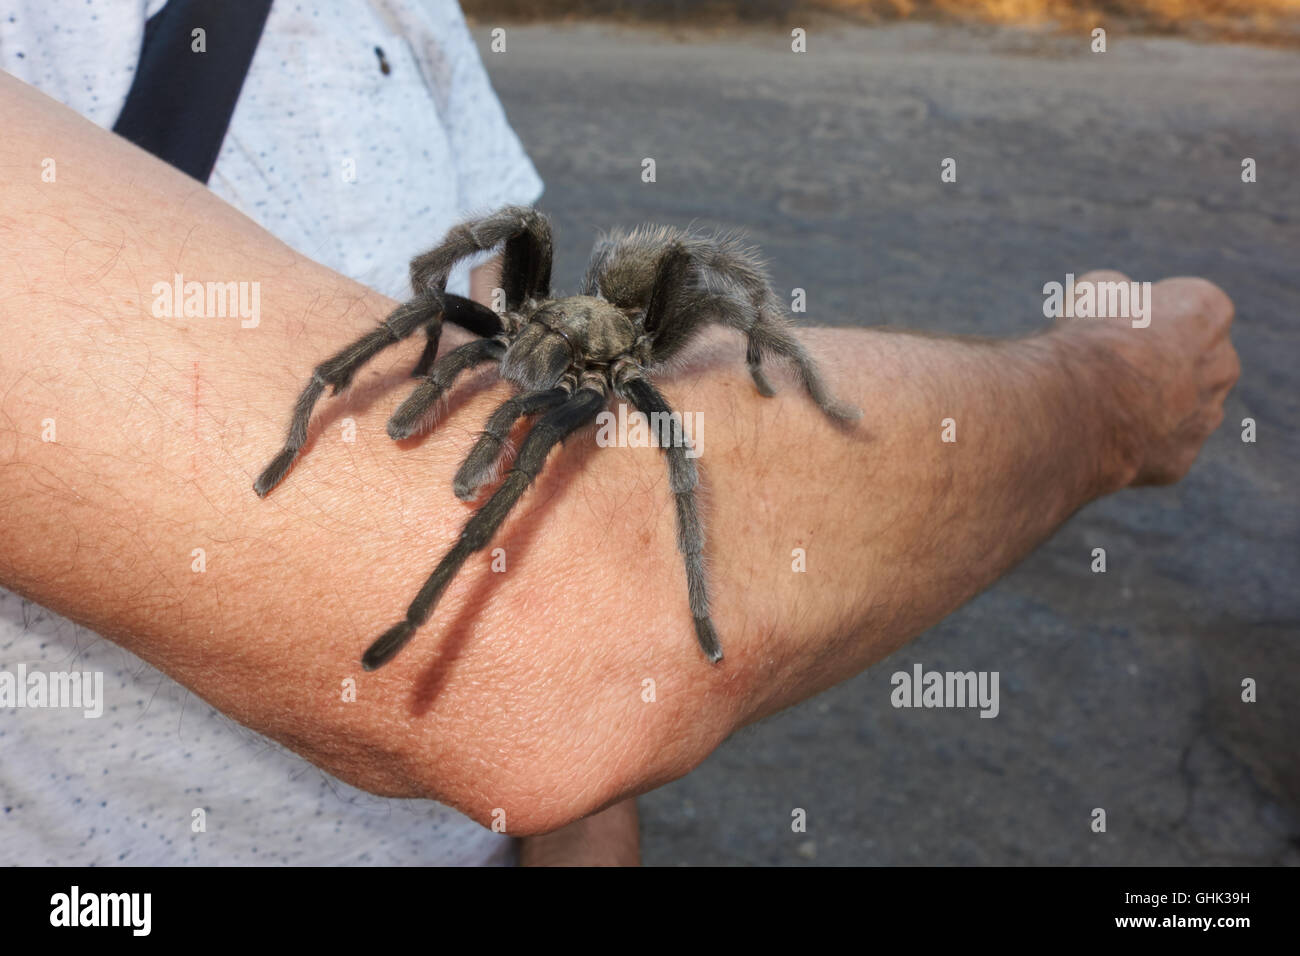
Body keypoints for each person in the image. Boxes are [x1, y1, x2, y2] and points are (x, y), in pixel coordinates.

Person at [0, 29, 1239, 866]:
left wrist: (751, 404)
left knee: (653, 411)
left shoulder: (402, 14)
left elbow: (615, 546)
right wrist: (1110, 389)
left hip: (482, 820)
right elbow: (555, 562)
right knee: (470, 365)